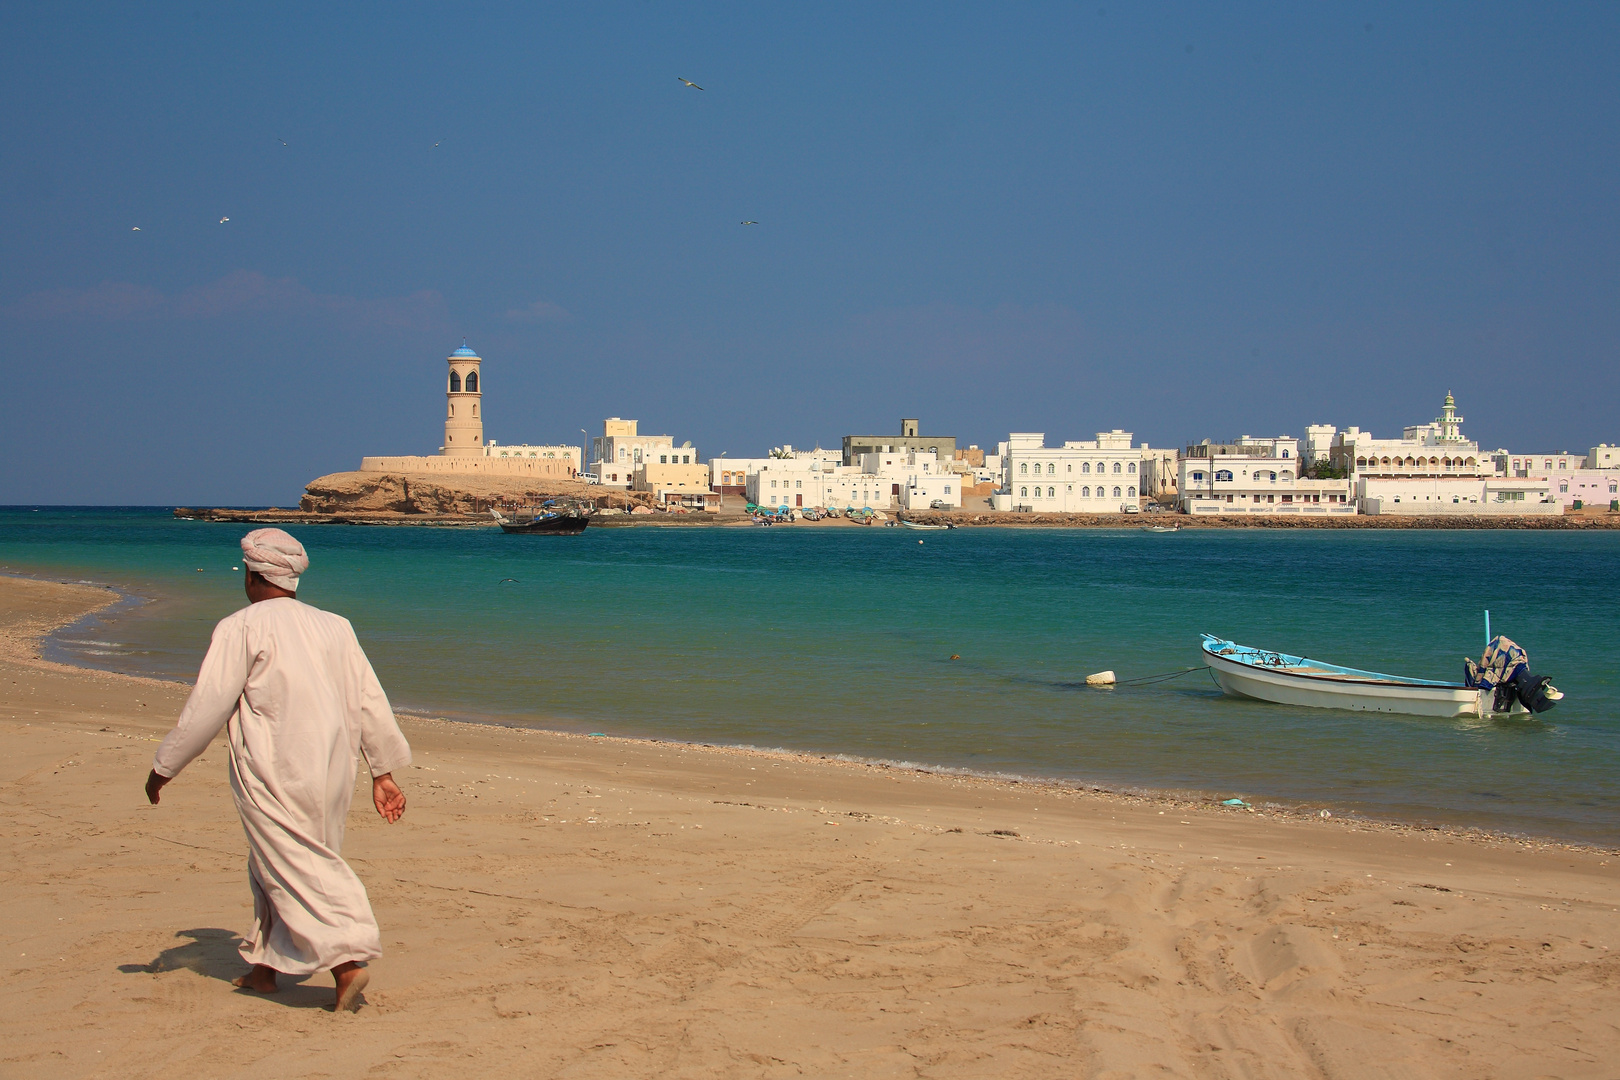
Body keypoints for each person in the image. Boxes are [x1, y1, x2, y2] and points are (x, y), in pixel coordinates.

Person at [144, 528, 411, 1013]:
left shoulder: (242, 626)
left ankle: (347, 962)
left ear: (252, 575)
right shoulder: (336, 625)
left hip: (273, 767)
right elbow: (370, 699)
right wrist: (382, 771)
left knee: (296, 863)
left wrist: (165, 766)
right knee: (276, 860)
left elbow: (208, 705)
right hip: (332, 768)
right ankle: (266, 969)